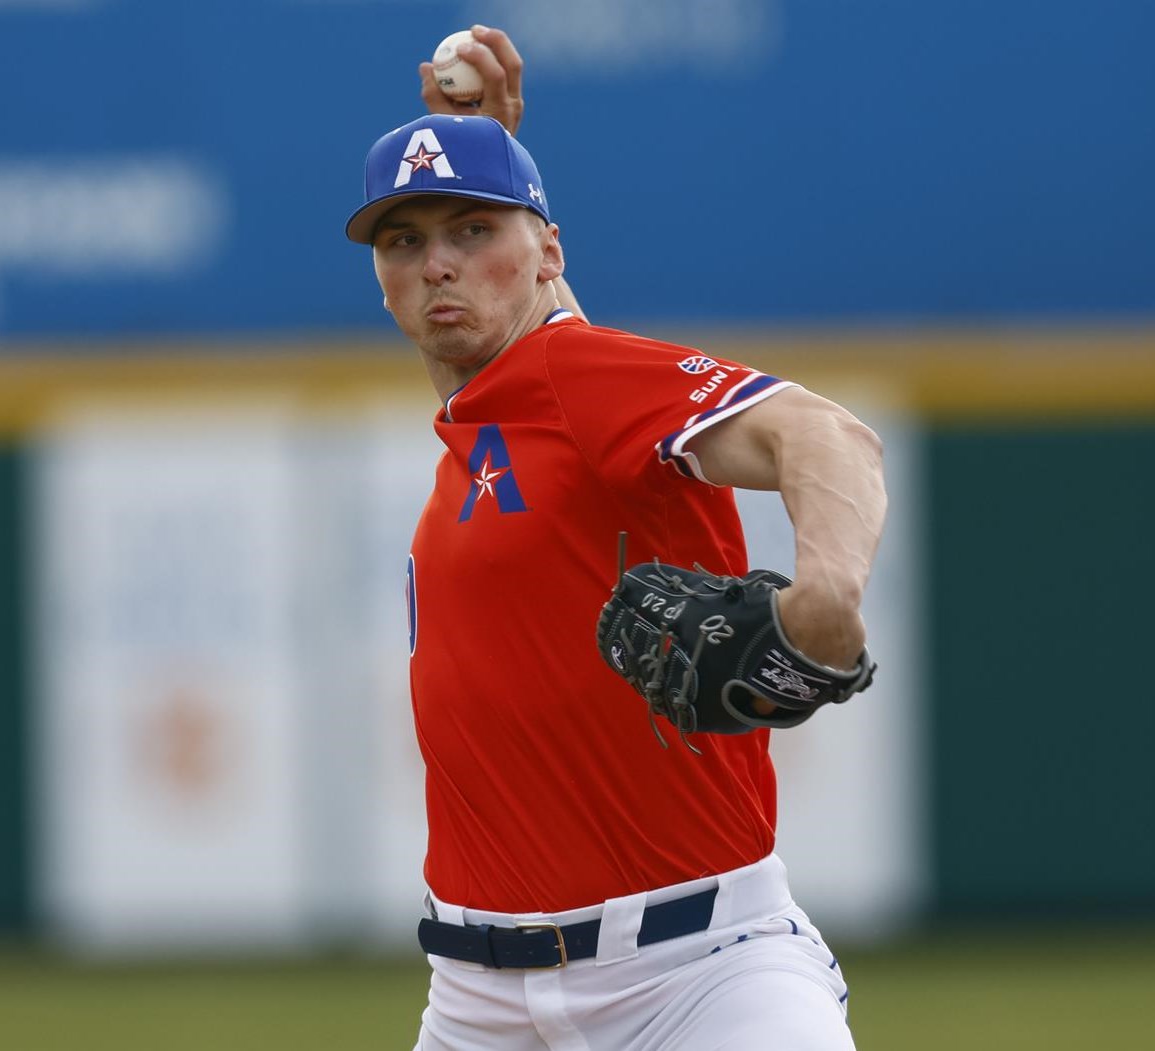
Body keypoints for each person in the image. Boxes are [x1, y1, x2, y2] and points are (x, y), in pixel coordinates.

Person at [349, 26, 888, 1051]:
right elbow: (559, 376)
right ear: (379, 279)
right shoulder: (499, 422)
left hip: (696, 982)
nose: (437, 265)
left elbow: (827, 436)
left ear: (548, 250)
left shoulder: (569, 379)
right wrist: (494, 160)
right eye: (404, 241)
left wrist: (823, 601)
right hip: (474, 999)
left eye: (471, 230)